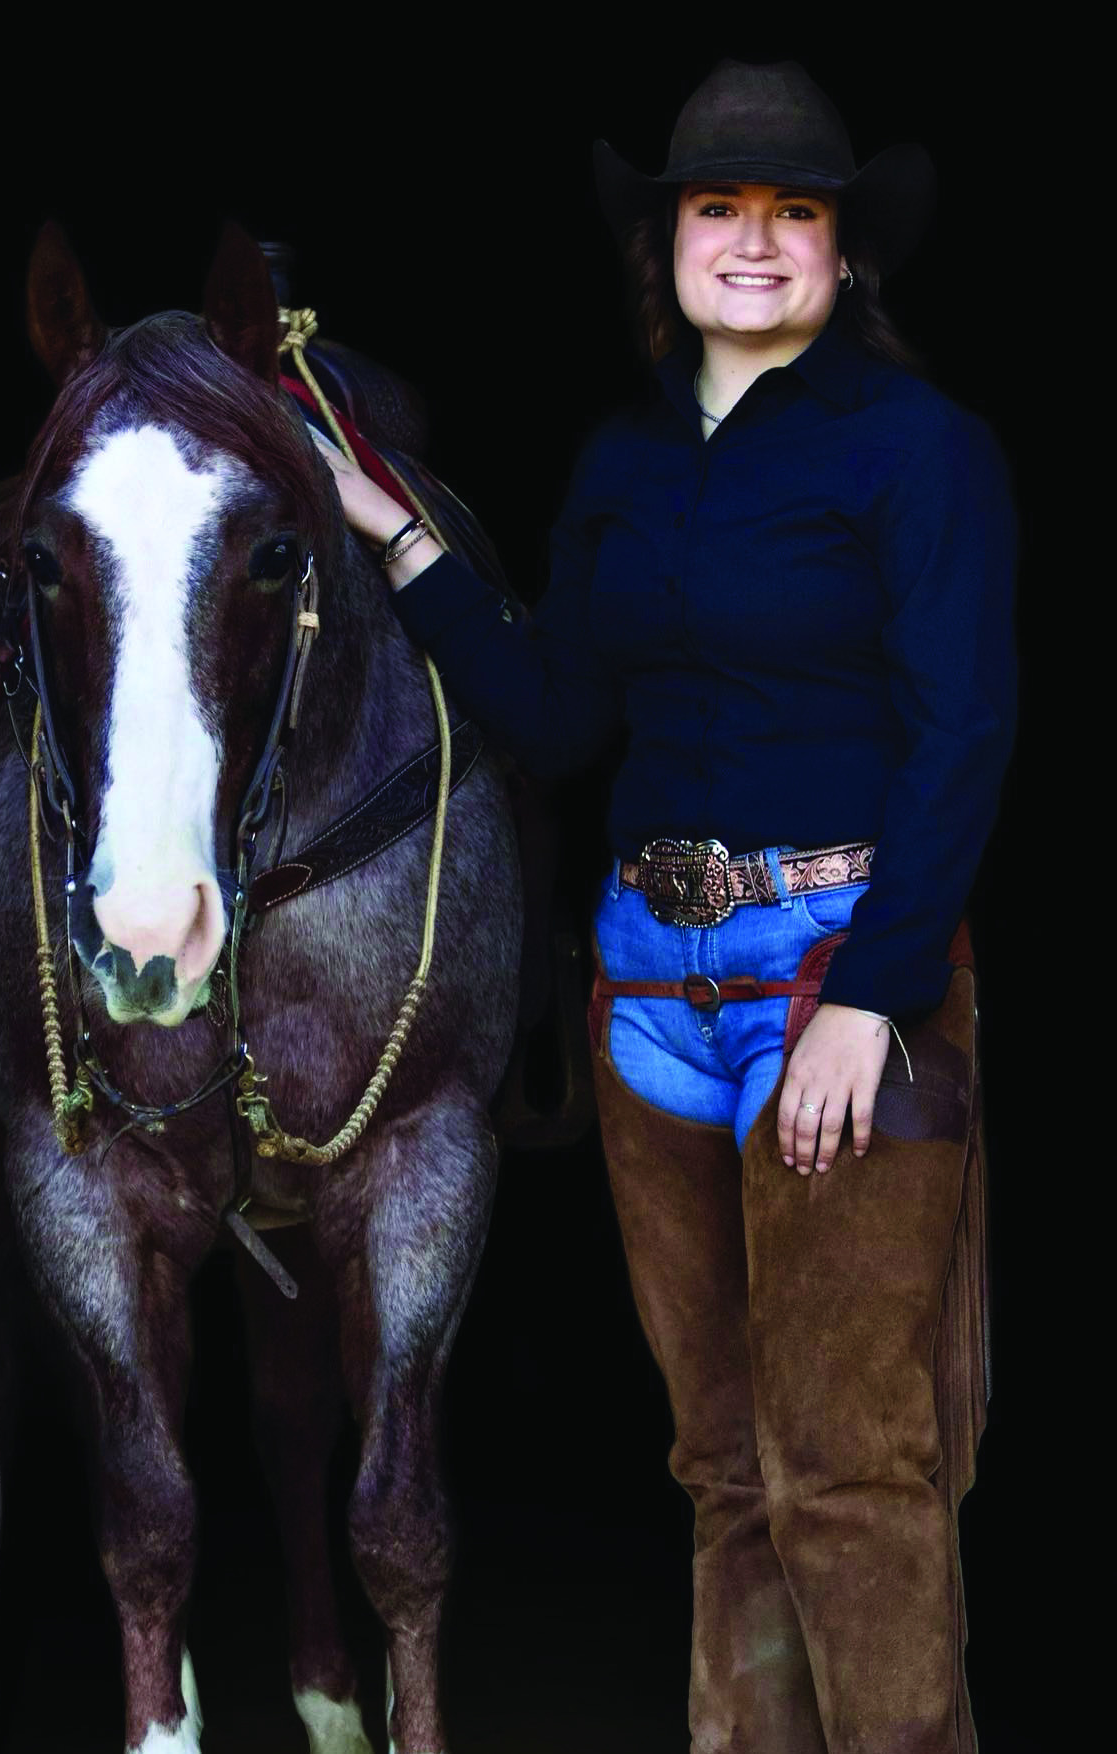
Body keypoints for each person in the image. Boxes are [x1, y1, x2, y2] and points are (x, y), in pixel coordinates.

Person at [314, 58, 1016, 1754]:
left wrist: (882, 990)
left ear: (846, 253)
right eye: (723, 207)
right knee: (722, 1462)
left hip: (831, 979)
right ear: (671, 240)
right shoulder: (626, 458)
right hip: (648, 987)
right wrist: (410, 555)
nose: (759, 243)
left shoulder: (918, 451)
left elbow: (966, 727)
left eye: (798, 212)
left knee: (849, 1462)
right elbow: (558, 713)